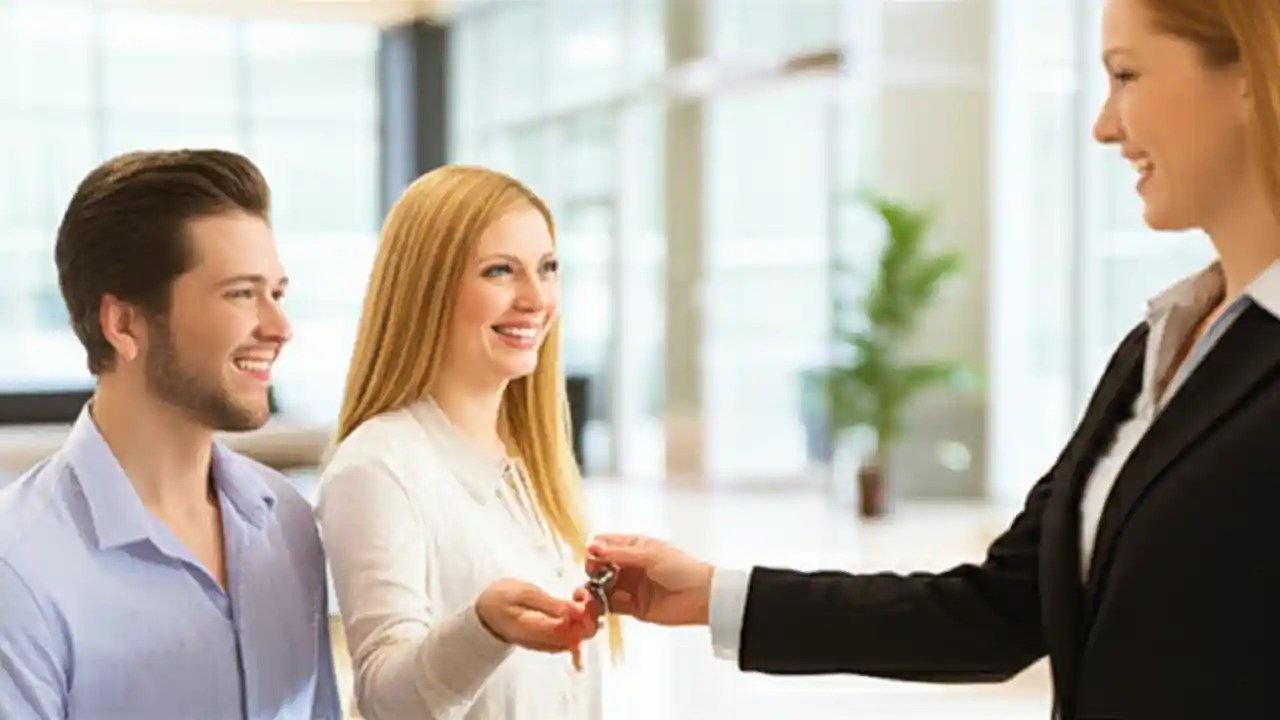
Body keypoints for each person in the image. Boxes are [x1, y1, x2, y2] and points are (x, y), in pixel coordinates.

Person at [584, 0, 1280, 718]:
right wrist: (714, 594)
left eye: (1127, 75)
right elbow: (1000, 612)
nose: (1105, 126)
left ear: (1252, 73)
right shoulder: (1161, 344)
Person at [0, 150, 342, 718]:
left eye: (276, 293)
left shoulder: (287, 520)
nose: (280, 328)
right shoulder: (18, 568)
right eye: (240, 293)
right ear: (125, 324)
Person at [316, 164, 615, 720]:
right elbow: (383, 701)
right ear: (426, 288)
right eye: (500, 271)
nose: (535, 297)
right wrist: (483, 629)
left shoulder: (534, 470)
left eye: (547, 268)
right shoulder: (378, 468)